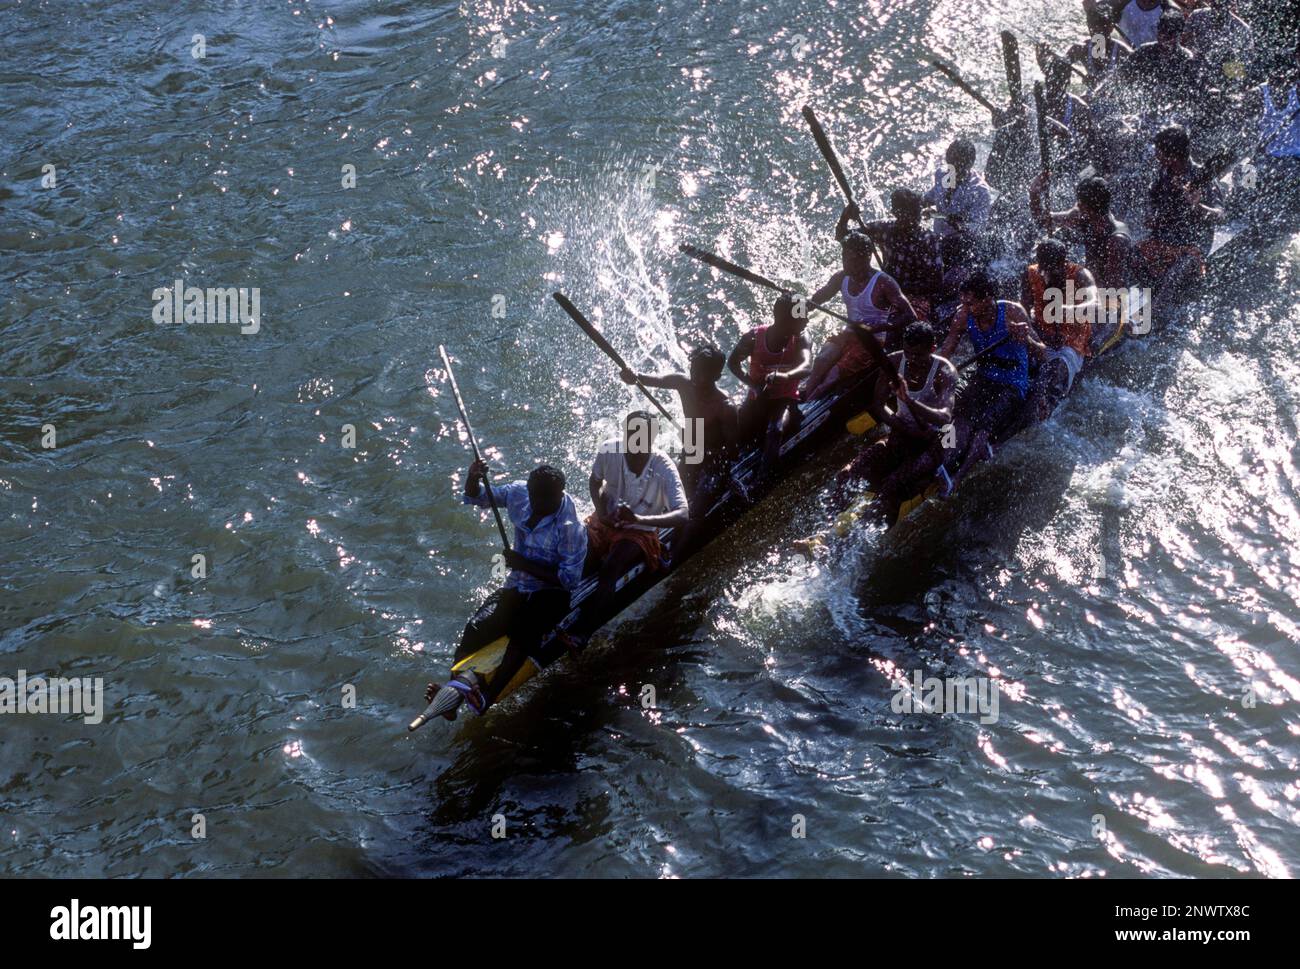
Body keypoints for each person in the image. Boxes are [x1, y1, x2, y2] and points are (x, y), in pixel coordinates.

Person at [424, 462, 588, 716]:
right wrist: (473, 478)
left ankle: (487, 698)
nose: (538, 505)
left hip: (550, 593)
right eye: (535, 497)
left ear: (560, 494)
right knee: (476, 628)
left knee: (522, 634)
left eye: (546, 500)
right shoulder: (519, 493)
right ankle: (452, 698)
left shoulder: (571, 528)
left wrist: (525, 564)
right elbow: (476, 497)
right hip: (518, 585)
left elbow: (569, 580)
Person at [559, 411, 690, 653]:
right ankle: (553, 610)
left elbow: (683, 514)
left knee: (611, 567)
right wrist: (601, 510)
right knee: (576, 557)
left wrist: (639, 518)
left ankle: (583, 634)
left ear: (653, 439)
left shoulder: (664, 468)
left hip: (639, 531)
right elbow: (594, 481)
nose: (635, 444)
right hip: (605, 521)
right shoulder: (609, 450)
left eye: (642, 439)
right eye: (631, 435)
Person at [834, 320, 957, 524]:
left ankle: (938, 474)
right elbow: (879, 405)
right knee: (846, 475)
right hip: (903, 431)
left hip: (937, 439)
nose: (911, 359)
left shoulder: (945, 372)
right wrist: (901, 426)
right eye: (908, 352)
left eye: (918, 355)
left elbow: (945, 417)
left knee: (891, 486)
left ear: (932, 349)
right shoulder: (893, 361)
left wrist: (910, 401)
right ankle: (828, 523)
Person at [940, 271, 1046, 492]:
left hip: (1012, 381)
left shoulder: (1012, 311)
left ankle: (959, 476)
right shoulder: (962, 316)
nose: (965, 309)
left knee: (985, 424)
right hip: (983, 376)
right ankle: (944, 458)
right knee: (953, 415)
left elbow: (1042, 353)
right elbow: (945, 353)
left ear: (987, 299)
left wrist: (1024, 338)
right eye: (963, 303)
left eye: (970, 304)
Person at [802, 230, 918, 399]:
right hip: (849, 333)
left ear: (866, 258)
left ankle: (809, 405)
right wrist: (800, 306)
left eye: (851, 259)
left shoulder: (883, 282)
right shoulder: (841, 277)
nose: (845, 263)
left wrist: (879, 327)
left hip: (873, 340)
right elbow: (819, 297)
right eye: (844, 257)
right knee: (822, 360)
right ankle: (805, 394)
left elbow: (910, 316)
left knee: (833, 375)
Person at [1028, 172, 1138, 348]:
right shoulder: (1083, 216)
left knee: (1080, 342)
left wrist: (1076, 310)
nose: (1076, 206)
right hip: (1086, 293)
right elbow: (1043, 220)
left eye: (1079, 203)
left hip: (1109, 301)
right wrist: (1034, 193)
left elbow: (1113, 289)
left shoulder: (1117, 239)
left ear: (1085, 206)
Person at [620, 344, 738, 505]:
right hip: (691, 455)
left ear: (716, 377)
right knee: (665, 494)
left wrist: (701, 447)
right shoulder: (683, 383)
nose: (695, 377)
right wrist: (633, 376)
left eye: (702, 374)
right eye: (693, 370)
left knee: (695, 509)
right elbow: (648, 380)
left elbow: (733, 453)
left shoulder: (725, 407)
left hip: (715, 464)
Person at [728, 293, 813, 477]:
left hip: (785, 400)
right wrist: (753, 386)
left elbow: (806, 366)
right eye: (802, 316)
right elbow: (733, 363)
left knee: (775, 430)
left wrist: (785, 376)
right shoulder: (753, 338)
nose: (807, 320)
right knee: (735, 434)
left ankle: (763, 478)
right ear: (785, 320)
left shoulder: (801, 337)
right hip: (758, 398)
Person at [1139, 124, 1226, 296]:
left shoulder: (1202, 178)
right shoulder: (1164, 171)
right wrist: (1151, 215)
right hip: (1165, 238)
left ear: (1172, 156)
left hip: (1193, 245)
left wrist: (1197, 205)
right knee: (1131, 256)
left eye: (1159, 151)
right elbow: (1152, 195)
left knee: (1173, 278)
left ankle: (1155, 319)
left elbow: (1221, 215)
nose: (1155, 155)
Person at [838, 188, 944, 321]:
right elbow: (844, 238)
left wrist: (897, 288)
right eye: (908, 214)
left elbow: (937, 283)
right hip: (887, 292)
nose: (914, 220)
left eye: (916, 214)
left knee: (899, 323)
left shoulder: (928, 239)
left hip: (916, 296)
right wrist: (846, 216)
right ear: (895, 213)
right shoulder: (885, 229)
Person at [1023, 239, 1100, 420]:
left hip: (1071, 339)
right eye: (1044, 268)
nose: (1047, 273)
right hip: (1040, 334)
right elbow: (1023, 311)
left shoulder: (1080, 274)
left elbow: (1095, 303)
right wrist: (1033, 337)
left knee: (1056, 370)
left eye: (1052, 268)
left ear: (1062, 263)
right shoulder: (1031, 274)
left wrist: (1069, 310)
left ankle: (1045, 407)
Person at [923, 138, 994, 289]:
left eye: (958, 165)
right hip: (938, 241)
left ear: (970, 164)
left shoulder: (979, 191)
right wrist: (914, 203)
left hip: (962, 248)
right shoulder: (942, 174)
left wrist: (960, 225)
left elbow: (978, 228)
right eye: (950, 164)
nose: (952, 170)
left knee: (947, 285)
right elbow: (930, 197)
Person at [1186, 0, 1255, 81]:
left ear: (1231, 3)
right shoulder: (1197, 16)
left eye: (1224, 2)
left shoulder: (1242, 29)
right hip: (1197, 70)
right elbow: (1184, 42)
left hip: (1225, 75)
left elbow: (1242, 68)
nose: (1218, 4)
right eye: (1215, 2)